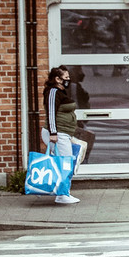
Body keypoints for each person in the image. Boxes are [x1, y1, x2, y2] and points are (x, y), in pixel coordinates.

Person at [41, 65, 81, 204]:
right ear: (57, 79)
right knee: (65, 163)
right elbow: (51, 112)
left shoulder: (61, 91)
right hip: (58, 133)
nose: (68, 80)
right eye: (66, 78)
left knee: (67, 162)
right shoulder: (52, 92)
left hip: (64, 133)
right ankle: (62, 195)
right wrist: (53, 133)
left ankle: (63, 192)